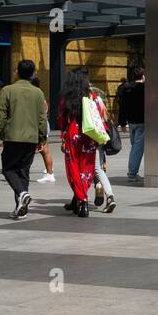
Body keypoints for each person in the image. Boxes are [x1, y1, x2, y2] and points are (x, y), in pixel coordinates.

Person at [0, 59, 48, 219]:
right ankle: (20, 206)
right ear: (33, 73)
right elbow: (42, 118)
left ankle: (22, 194)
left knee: (8, 169)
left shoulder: (7, 90)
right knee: (24, 172)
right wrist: (42, 139)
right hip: (31, 137)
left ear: (17, 71)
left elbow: (0, 116)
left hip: (12, 136)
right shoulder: (38, 93)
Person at [58, 67, 107, 217]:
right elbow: (99, 116)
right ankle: (80, 199)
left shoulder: (67, 97)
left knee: (73, 167)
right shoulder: (92, 95)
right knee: (87, 168)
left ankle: (82, 200)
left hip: (73, 134)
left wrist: (63, 134)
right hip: (89, 135)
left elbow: (61, 119)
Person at [117, 68, 146, 181]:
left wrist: (122, 123)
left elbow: (122, 107)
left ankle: (133, 172)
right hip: (143, 121)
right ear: (143, 76)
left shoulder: (125, 88)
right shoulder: (145, 88)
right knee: (137, 148)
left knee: (135, 146)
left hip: (131, 122)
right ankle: (132, 173)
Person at [29, 75, 56, 184]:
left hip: (39, 125)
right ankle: (50, 172)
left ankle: (50, 174)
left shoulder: (35, 95)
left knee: (43, 151)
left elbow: (42, 112)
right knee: (44, 151)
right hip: (42, 125)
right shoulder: (39, 94)